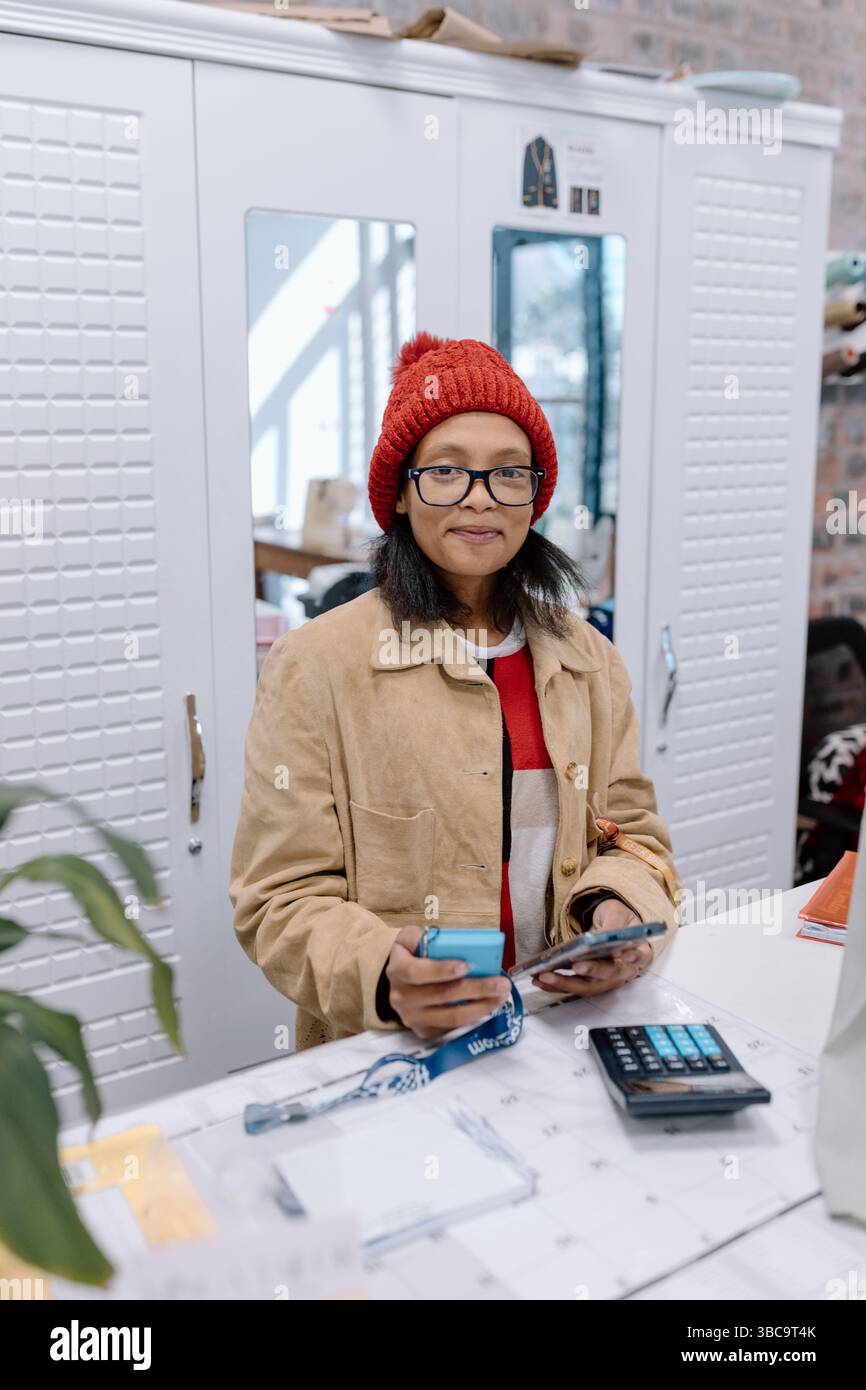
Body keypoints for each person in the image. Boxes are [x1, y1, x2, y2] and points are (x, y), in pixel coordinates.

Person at [229, 332, 681, 1052]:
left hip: (560, 1033)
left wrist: (618, 905)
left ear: (535, 496)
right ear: (402, 493)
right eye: (446, 471)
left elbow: (631, 834)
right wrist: (385, 975)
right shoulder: (316, 665)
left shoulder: (589, 659)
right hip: (393, 1050)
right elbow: (279, 899)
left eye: (509, 474)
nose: (480, 499)